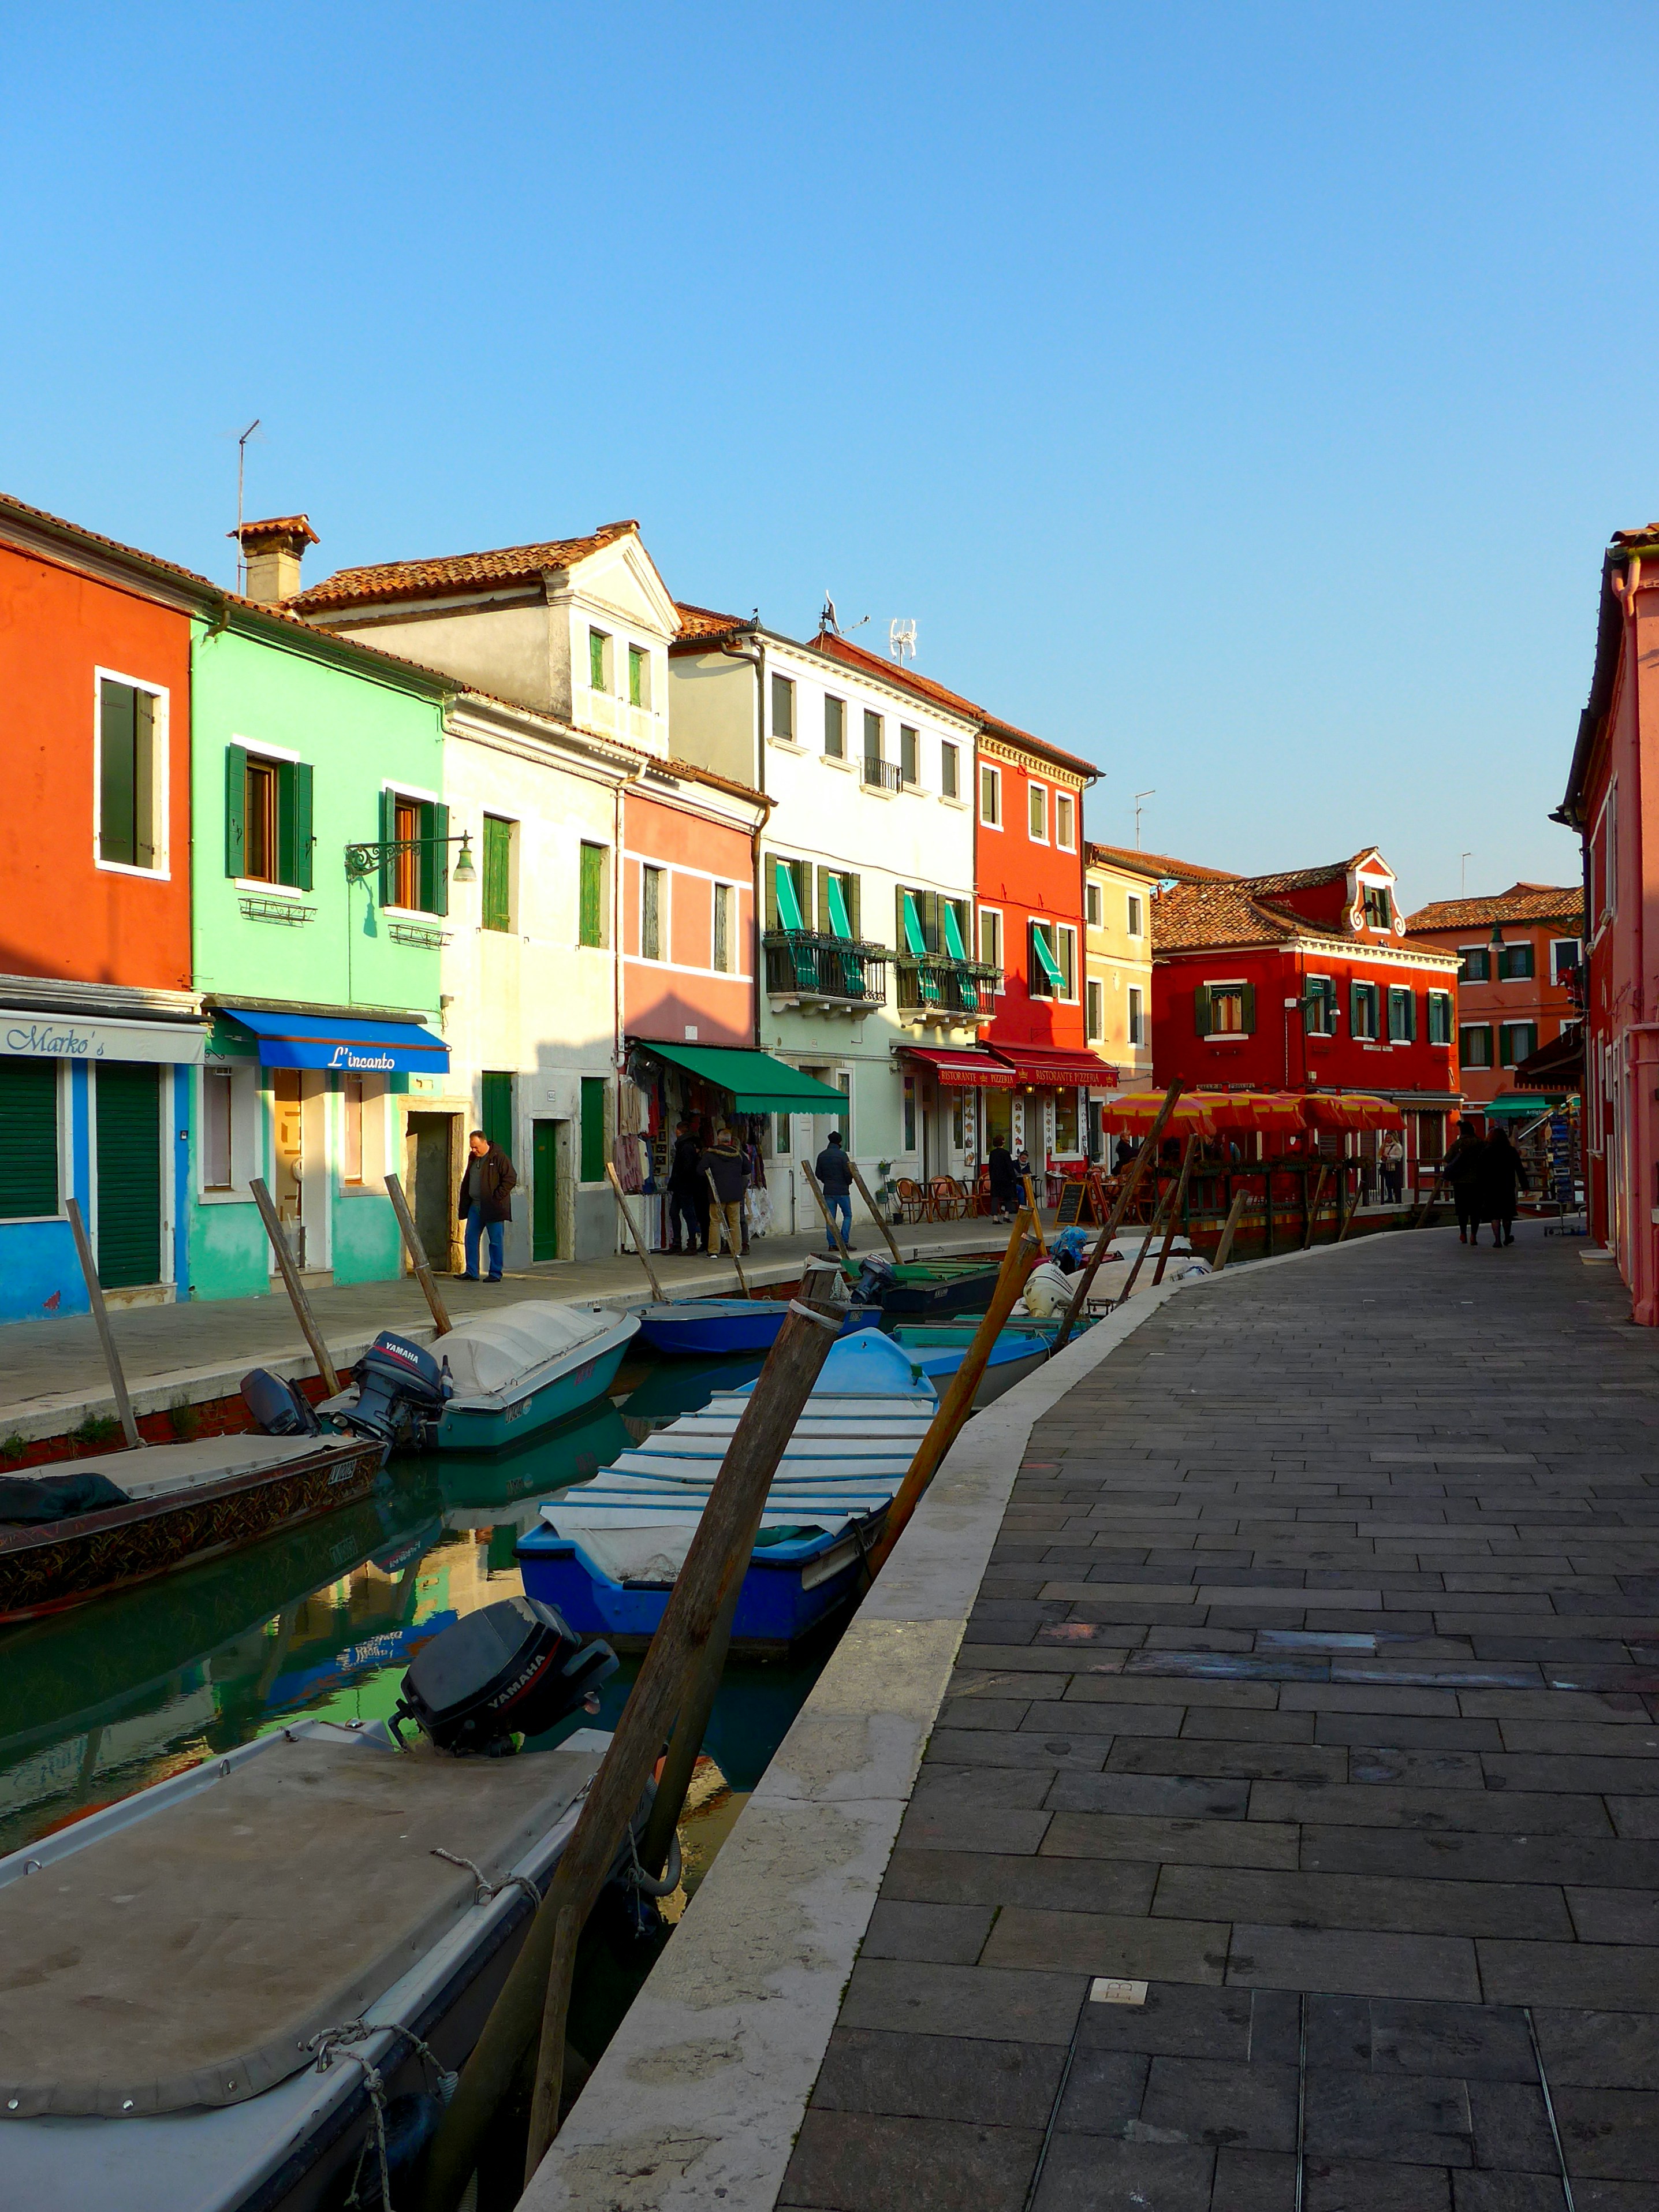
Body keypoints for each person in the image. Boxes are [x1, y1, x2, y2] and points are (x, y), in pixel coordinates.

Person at [457, 1127, 516, 1282]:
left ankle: (495, 1273)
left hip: (493, 1207)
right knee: (470, 1237)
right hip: (475, 1206)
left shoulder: (499, 1157)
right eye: (472, 1147)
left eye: (477, 1146)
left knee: (495, 1241)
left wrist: (497, 1197)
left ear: (485, 1142)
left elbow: (510, 1179)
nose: (474, 1150)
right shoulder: (473, 1158)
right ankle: (472, 1272)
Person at [700, 1126, 750, 1258]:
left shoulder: (710, 1154)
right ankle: (736, 1251)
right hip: (735, 1193)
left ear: (718, 1139)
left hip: (717, 1193)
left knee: (715, 1221)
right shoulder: (738, 1154)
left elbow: (700, 1171)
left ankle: (713, 1251)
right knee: (735, 1222)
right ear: (730, 1141)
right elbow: (747, 1169)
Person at [1479, 1124, 1528, 1247]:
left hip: (1491, 1187)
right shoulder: (1511, 1151)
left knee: (1495, 1214)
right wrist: (1525, 1186)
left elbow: (1480, 1170)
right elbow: (1519, 1169)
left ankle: (1497, 1240)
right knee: (1507, 1214)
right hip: (1507, 1185)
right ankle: (1507, 1237)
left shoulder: (1486, 1152)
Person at [1442, 1124, 1485, 1245]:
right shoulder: (1481, 1143)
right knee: (1476, 1210)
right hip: (1477, 1181)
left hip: (1460, 1181)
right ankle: (1474, 1235)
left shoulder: (1458, 1144)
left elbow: (1447, 1158)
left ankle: (1463, 1233)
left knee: (1462, 1209)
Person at [666, 1118, 703, 1253]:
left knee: (687, 1214)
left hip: (684, 1186)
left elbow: (688, 1168)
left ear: (678, 1131)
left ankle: (691, 1242)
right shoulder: (685, 1145)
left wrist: (679, 1180)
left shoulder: (686, 1146)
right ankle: (677, 1242)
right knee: (674, 1213)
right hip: (680, 1186)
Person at [814, 1130, 856, 1253]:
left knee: (830, 1218)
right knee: (848, 1215)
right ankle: (844, 1241)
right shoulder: (842, 1155)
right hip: (843, 1191)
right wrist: (848, 1182)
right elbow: (848, 1172)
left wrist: (827, 1181)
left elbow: (818, 1174)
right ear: (839, 1142)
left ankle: (832, 1244)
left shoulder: (822, 1155)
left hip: (828, 1191)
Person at [987, 1134, 1020, 1223]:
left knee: (995, 1198)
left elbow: (990, 1167)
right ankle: (1006, 1215)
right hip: (1006, 1179)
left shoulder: (992, 1154)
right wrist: (1013, 1178)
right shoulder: (1006, 1153)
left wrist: (992, 1177)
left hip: (995, 1179)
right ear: (1002, 1142)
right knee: (1008, 1197)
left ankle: (995, 1217)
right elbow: (1009, 1167)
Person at [1380, 1133, 1405, 1206]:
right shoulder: (1384, 1146)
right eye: (1386, 1138)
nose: (1388, 1140)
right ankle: (1390, 1197)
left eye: (1389, 1138)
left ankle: (1397, 1198)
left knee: (1395, 1183)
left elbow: (1399, 1157)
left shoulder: (1397, 1146)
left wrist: (1389, 1156)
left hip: (1395, 1167)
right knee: (1388, 1183)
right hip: (1387, 1166)